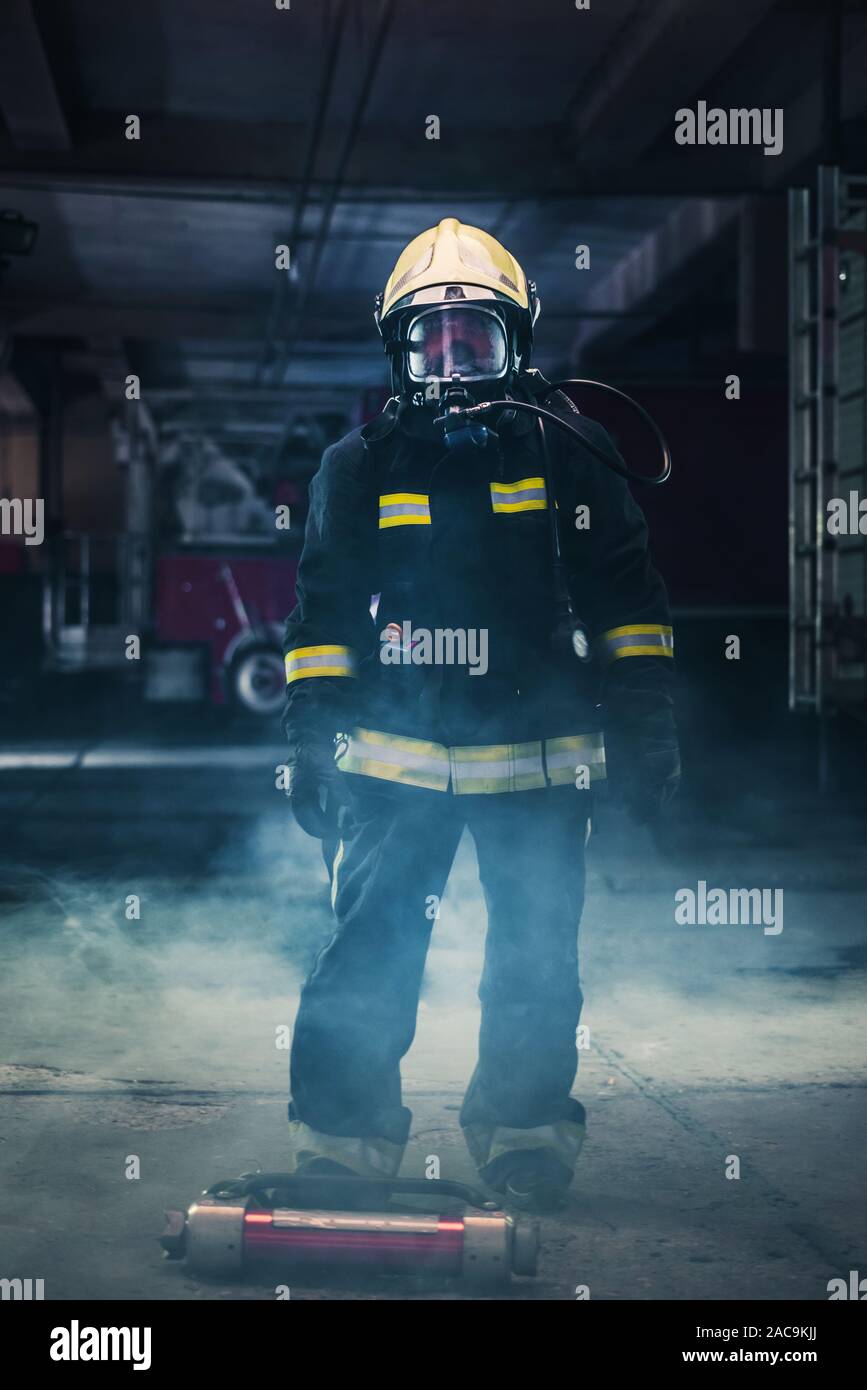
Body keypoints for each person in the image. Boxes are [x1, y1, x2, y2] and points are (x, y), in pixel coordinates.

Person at [282, 217, 679, 1210]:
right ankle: (341, 1143)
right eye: (434, 341)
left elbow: (630, 605)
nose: (456, 363)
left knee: (537, 960)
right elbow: (323, 621)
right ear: (400, 354)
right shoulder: (360, 465)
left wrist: (645, 726)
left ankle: (527, 1139)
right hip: (390, 763)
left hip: (540, 765)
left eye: (478, 339)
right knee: (368, 957)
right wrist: (310, 741)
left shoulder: (572, 455)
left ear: (518, 345)